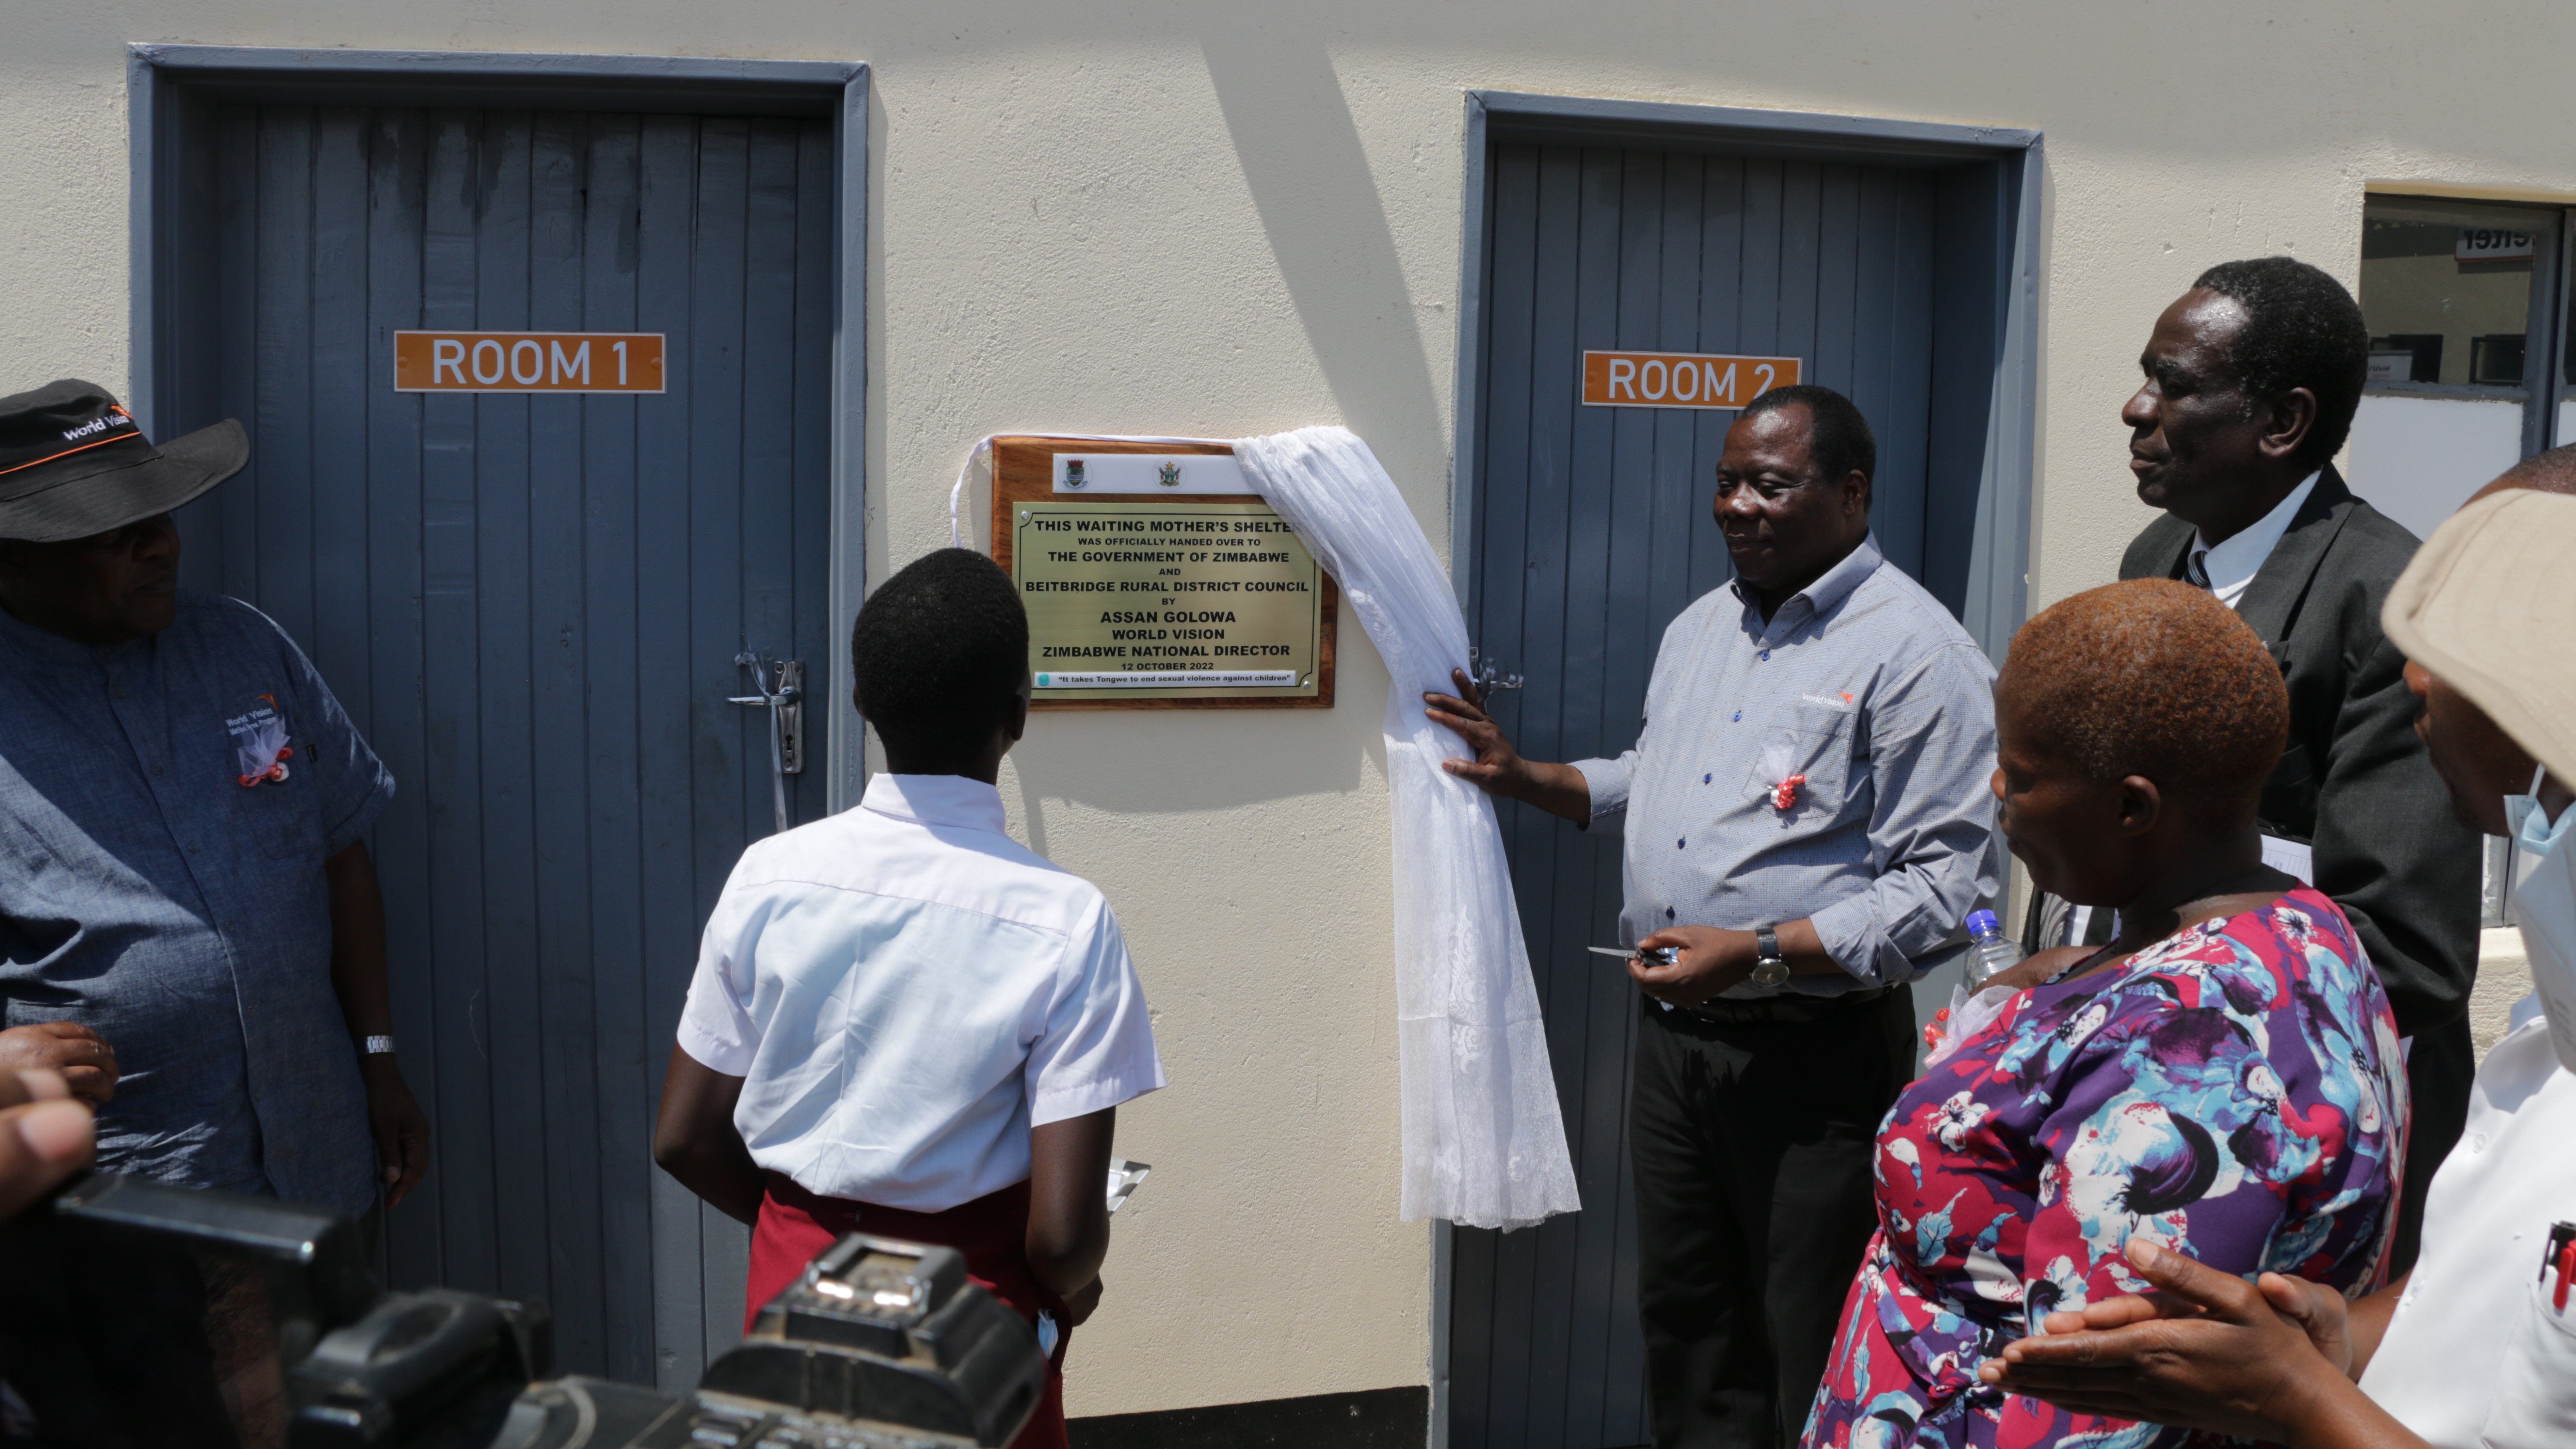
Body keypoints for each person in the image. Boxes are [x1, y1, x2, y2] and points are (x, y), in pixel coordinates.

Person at [1429, 385, 2004, 1448]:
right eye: (1726, 482)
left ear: (1851, 492)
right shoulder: (1701, 628)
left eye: (1769, 485)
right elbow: (1660, 784)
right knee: (1690, 1326)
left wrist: (1760, 954)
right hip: (1676, 1049)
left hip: (1812, 1061)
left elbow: (1946, 893)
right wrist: (1529, 777)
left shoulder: (1920, 654)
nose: (1737, 505)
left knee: (1812, 1330)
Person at [1980, 460, 2576, 1449]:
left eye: (2454, 621)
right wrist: (2337, 1338)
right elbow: (2484, 1293)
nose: (2417, 673)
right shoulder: (2546, 1035)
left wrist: (2293, 1398)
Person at [1802, 578, 2407, 1449]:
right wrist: (2067, 987)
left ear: (2133, 806)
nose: (1997, 787)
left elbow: (2096, 1414)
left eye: (2027, 772)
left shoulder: (2188, 1048)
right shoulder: (2300, 922)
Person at [653, 547, 1165, 1449]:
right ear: (1018, 715)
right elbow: (1060, 1239)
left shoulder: (767, 877)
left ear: (862, 705)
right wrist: (1074, 1289)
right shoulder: (1066, 921)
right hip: (972, 1317)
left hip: (795, 1285)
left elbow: (686, 1136)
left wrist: (814, 1234)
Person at [2036, 258, 2480, 1270]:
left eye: (2175, 384)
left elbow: (2403, 947)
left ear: (2281, 423)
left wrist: (2120, 973)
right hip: (2154, 1085)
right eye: (2145, 376)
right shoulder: (2157, 559)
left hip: (2304, 1129)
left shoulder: (2390, 604)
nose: (2134, 408)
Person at [0, 378, 429, 1224]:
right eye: (116, 533)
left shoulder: (242, 647)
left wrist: (378, 1060)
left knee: (327, 1360)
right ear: (14, 559)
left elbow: (338, 852)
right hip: (119, 1205)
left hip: (319, 1163)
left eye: (161, 516)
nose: (161, 545)